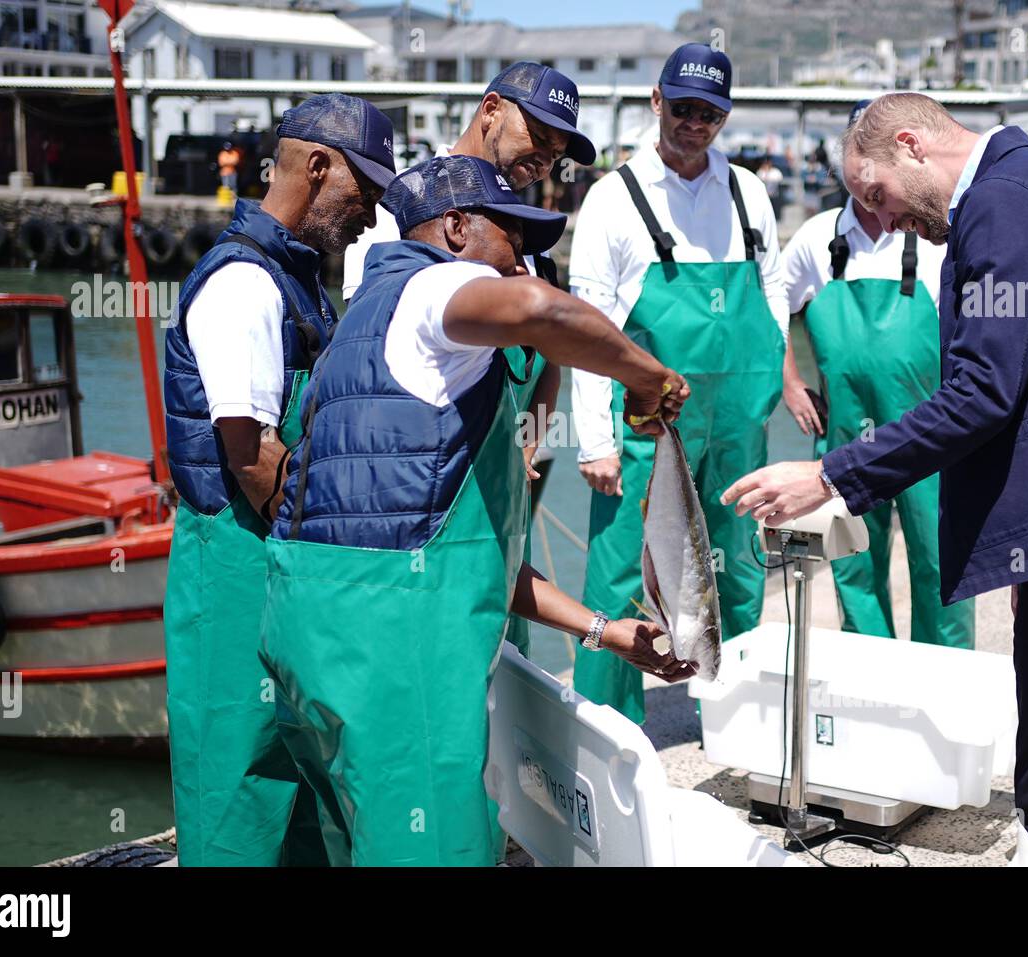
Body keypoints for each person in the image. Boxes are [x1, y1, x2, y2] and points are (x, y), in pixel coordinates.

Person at [721, 92, 1028, 866]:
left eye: (874, 193)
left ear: (911, 145)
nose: (881, 218)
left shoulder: (1001, 204)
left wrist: (832, 474)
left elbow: (984, 391)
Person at [258, 155, 692, 866]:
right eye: (512, 238)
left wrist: (605, 630)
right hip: (394, 658)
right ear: (456, 228)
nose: (524, 261)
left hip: (313, 636)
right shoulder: (438, 284)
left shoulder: (361, 321)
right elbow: (541, 311)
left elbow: (462, 555)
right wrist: (649, 379)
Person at [162, 94, 396, 866]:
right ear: (318, 166)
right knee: (238, 791)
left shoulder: (292, 279)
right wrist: (338, 559)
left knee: (297, 788)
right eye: (363, 194)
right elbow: (250, 454)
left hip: (272, 569)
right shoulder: (245, 285)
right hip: (237, 574)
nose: (368, 217)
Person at [569, 42, 790, 725]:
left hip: (736, 417)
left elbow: (772, 284)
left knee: (741, 564)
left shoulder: (747, 190)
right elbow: (586, 323)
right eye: (685, 107)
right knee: (620, 569)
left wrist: (770, 378)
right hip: (644, 423)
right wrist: (593, 441)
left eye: (712, 113)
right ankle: (605, 726)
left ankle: (739, 716)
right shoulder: (612, 198)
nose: (696, 123)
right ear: (657, 100)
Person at [340, 60, 597, 628]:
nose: (544, 158)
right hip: (417, 499)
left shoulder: (533, 249)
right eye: (538, 135)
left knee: (498, 646)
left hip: (498, 495)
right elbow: (365, 356)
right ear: (490, 110)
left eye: (557, 152)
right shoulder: (400, 214)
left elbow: (549, 367)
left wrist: (527, 446)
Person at [780, 99, 974, 649]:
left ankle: (948, 685)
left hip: (933, 438)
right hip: (846, 437)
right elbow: (772, 311)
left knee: (941, 563)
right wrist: (790, 383)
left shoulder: (938, 235)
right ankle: (870, 680)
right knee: (854, 564)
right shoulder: (816, 239)